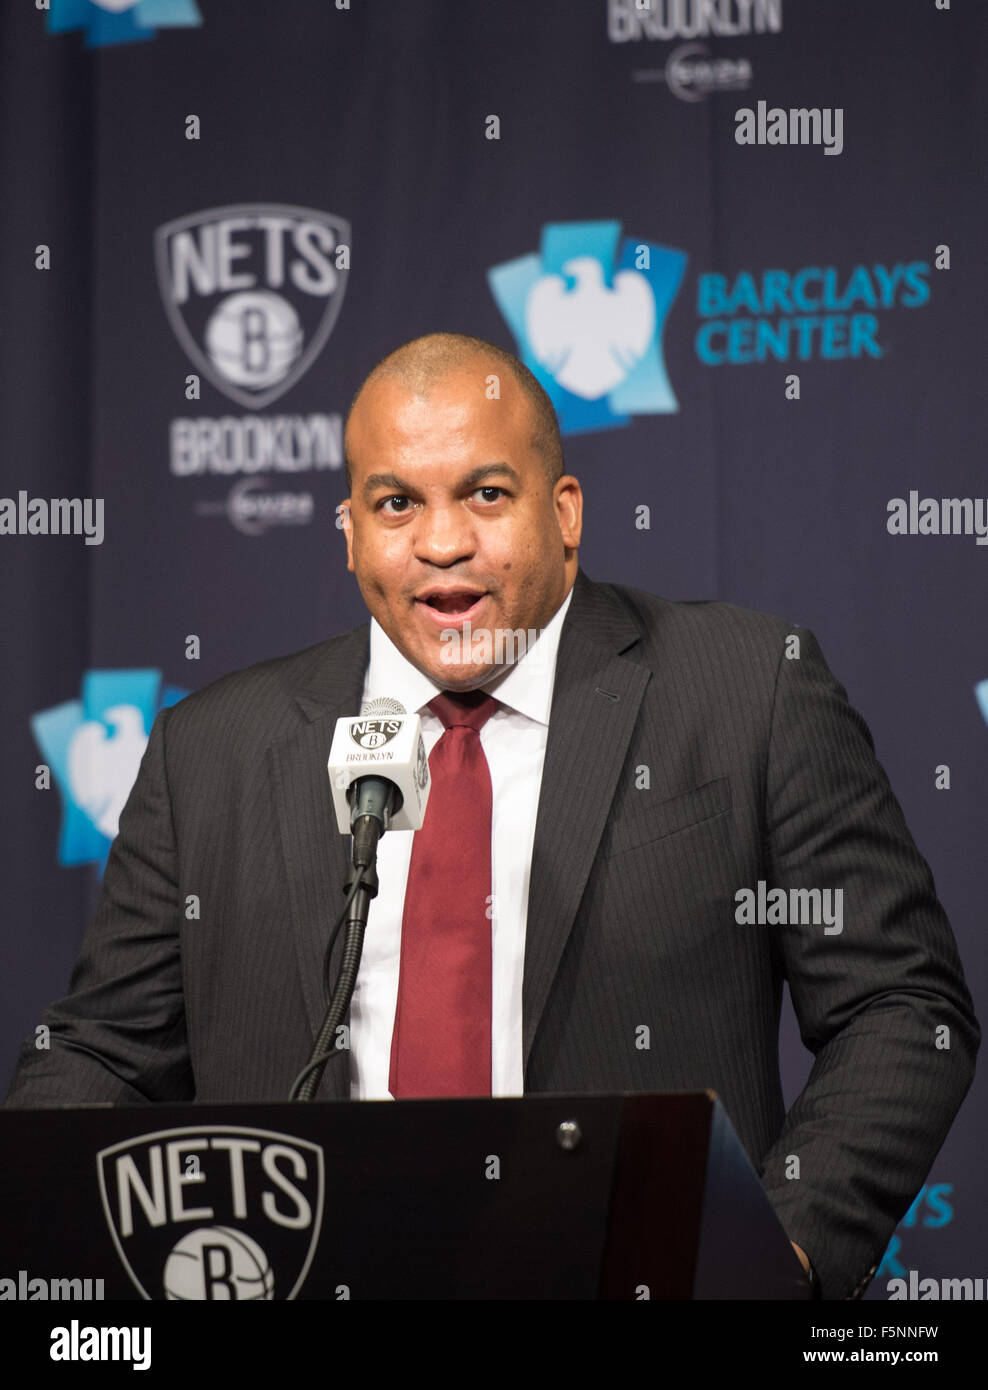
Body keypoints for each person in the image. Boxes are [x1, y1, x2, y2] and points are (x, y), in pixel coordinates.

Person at [5, 333, 979, 1303]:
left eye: (484, 494)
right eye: (396, 504)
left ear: (564, 513)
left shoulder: (744, 692)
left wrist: (776, 1257)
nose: (441, 544)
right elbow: (103, 1054)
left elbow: (899, 1003)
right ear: (347, 532)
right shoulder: (210, 751)